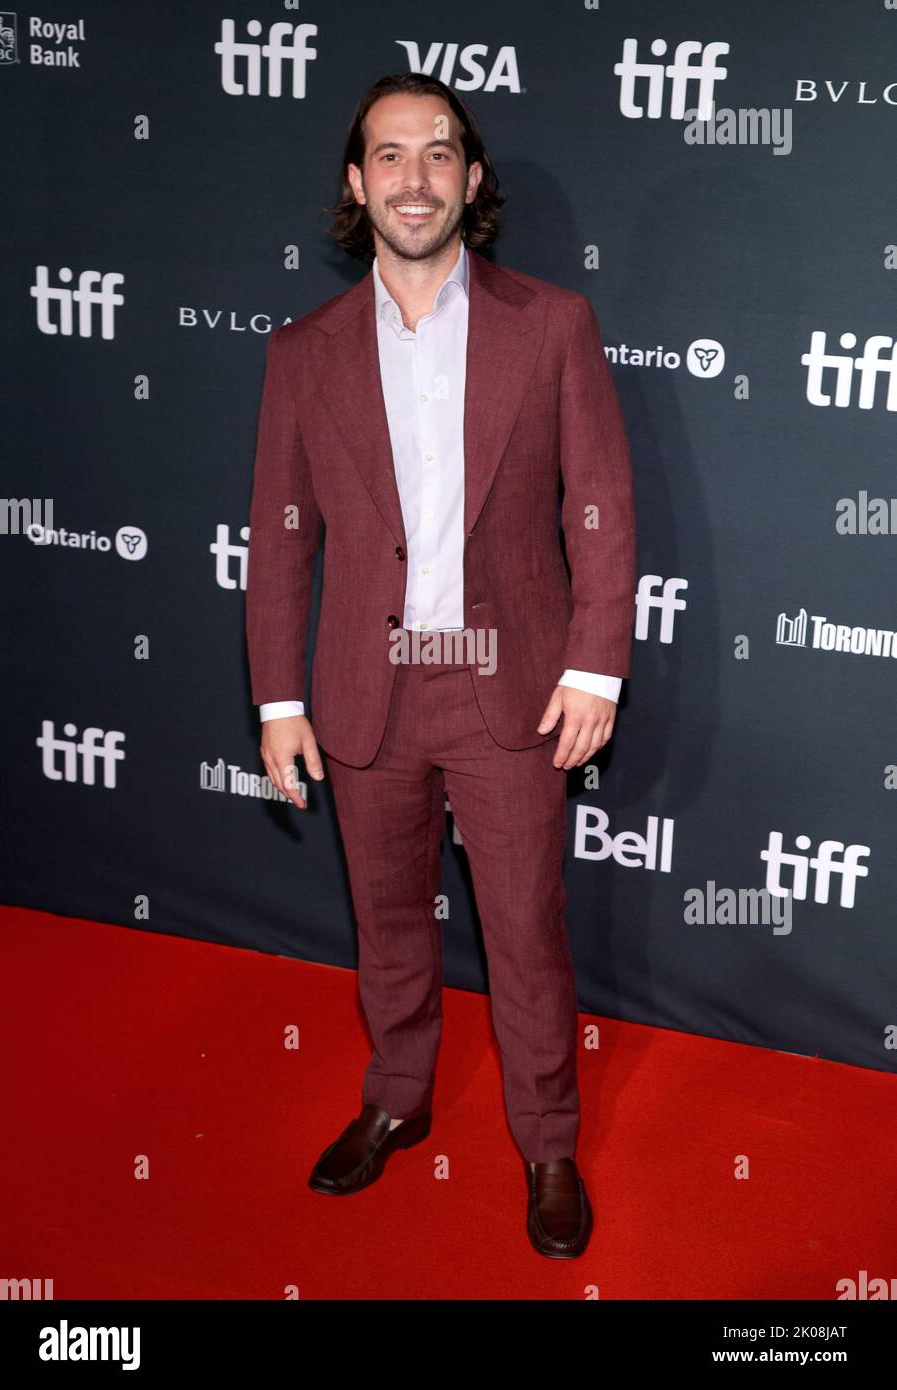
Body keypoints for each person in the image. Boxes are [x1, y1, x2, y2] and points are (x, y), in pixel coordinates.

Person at [245, 72, 636, 1259]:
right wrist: (276, 696)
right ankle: (396, 1098)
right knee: (385, 917)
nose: (415, 177)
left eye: (438, 153)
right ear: (357, 187)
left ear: (469, 180)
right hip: (371, 687)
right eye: (389, 156)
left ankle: (548, 1141)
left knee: (523, 925)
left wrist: (595, 667)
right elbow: (279, 536)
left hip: (505, 678)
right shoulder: (301, 352)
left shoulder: (551, 323)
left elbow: (600, 505)